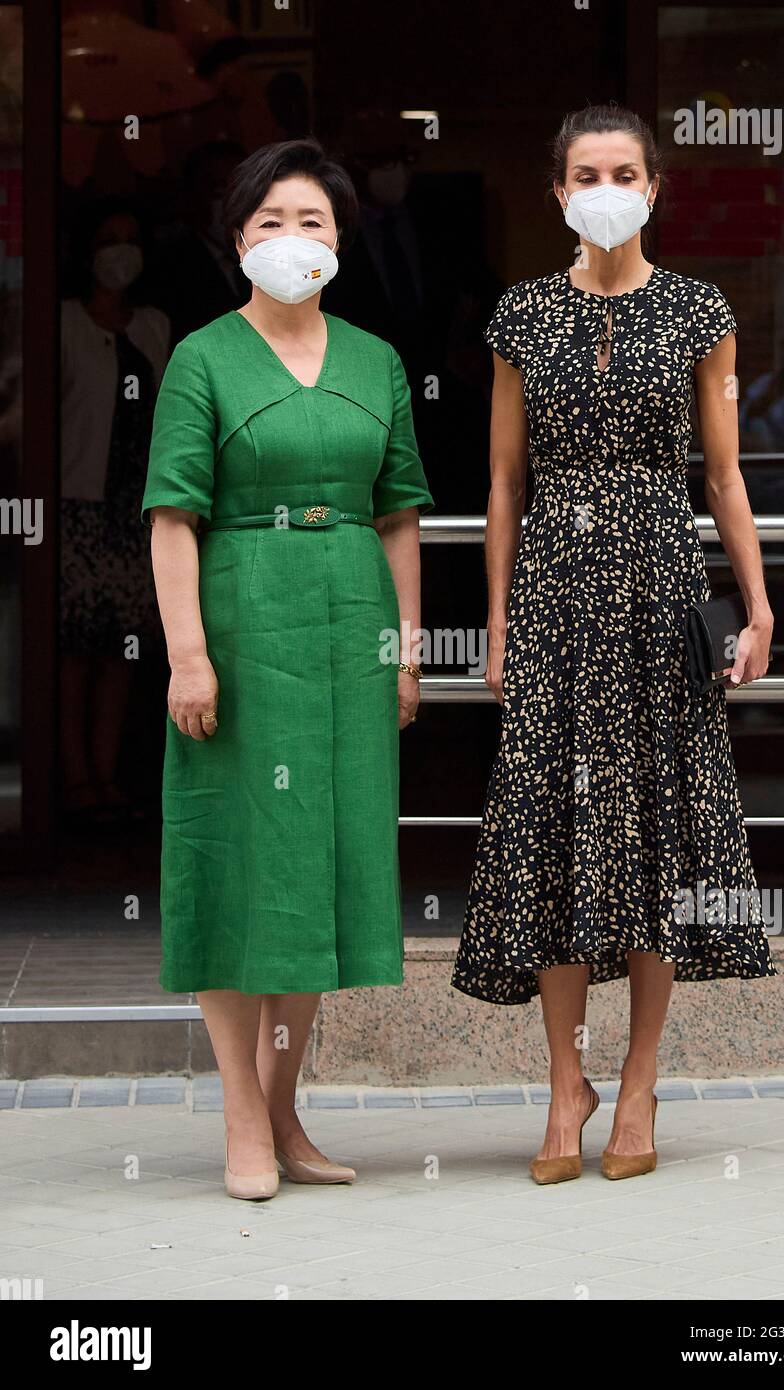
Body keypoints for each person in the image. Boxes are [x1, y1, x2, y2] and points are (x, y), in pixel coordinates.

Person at [453, 105, 775, 1184]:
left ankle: (636, 1083)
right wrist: (496, 618)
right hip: (550, 586)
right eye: (584, 172)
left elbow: (721, 475)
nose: (604, 186)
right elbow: (501, 482)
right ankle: (561, 1085)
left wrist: (757, 603)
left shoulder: (697, 310)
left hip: (656, 581)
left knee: (652, 835)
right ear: (556, 191)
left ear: (652, 187)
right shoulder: (522, 314)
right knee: (551, 824)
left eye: (623, 170)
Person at [141, 139, 434, 1200]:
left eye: (311, 221)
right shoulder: (203, 358)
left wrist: (400, 651)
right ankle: (239, 1118)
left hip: (348, 622)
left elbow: (399, 517)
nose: (290, 239)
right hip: (240, 618)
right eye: (268, 222)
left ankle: (282, 1108)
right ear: (235, 241)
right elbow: (173, 517)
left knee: (325, 862)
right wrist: (186, 656)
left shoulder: (375, 361)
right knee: (236, 861)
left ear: (341, 241)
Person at [61, 199, 170, 821]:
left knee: (124, 648)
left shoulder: (153, 324)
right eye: (109, 238)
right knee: (77, 645)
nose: (121, 250)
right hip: (79, 504)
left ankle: (105, 778)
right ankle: (74, 780)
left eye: (132, 238)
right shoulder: (66, 322)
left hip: (138, 509)